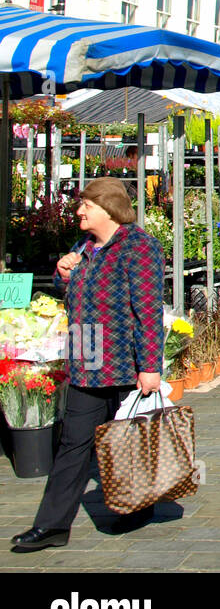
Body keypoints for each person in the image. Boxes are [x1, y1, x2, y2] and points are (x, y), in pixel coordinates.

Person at [11, 178, 166, 553]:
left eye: (86, 205)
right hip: (87, 361)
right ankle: (51, 526)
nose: (79, 211)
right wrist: (66, 275)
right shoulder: (85, 247)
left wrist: (150, 365)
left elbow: (147, 310)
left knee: (128, 441)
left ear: (109, 208)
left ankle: (137, 505)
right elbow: (78, 296)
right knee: (73, 443)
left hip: (123, 361)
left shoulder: (139, 247)